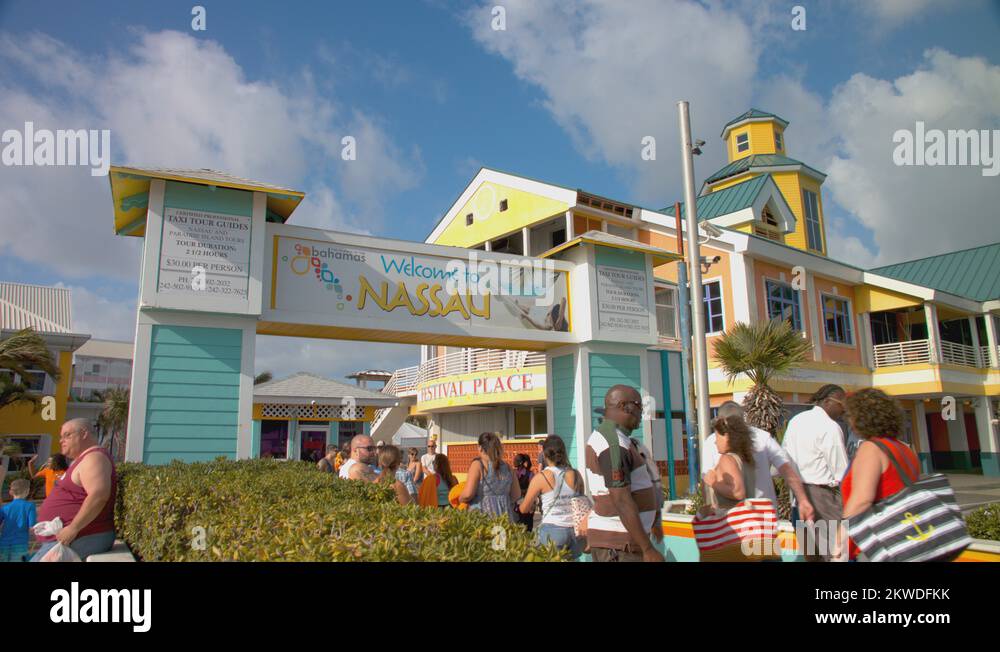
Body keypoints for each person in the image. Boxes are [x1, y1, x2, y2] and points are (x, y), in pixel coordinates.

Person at [838, 388, 921, 562]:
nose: (849, 421)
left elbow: (861, 500)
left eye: (850, 416)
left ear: (861, 417)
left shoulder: (871, 449)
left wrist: (840, 541)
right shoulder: (905, 449)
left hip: (879, 542)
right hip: (907, 538)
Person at [701, 401, 816, 523]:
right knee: (765, 543)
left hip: (735, 520)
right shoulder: (762, 437)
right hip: (764, 514)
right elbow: (786, 469)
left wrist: (708, 507)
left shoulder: (714, 441)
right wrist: (803, 500)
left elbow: (707, 481)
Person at [585, 385, 664, 562]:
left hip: (622, 543)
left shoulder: (618, 440)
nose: (641, 412)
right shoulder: (614, 445)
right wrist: (647, 548)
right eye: (638, 406)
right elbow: (621, 499)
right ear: (622, 406)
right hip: (620, 547)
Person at [31, 418, 117, 561]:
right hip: (65, 540)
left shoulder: (94, 458)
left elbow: (98, 495)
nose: (61, 440)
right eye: (61, 436)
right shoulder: (81, 460)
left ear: (84, 434)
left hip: (80, 537)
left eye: (67, 435)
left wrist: (73, 528)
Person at [781, 384, 849, 562]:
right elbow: (841, 470)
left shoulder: (796, 421)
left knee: (811, 555)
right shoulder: (830, 426)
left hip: (798, 498)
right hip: (824, 498)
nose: (843, 410)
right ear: (827, 401)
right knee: (835, 554)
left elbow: (784, 458)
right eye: (841, 404)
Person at [699, 415, 763, 562]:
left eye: (717, 436)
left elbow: (738, 492)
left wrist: (713, 482)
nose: (715, 442)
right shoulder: (746, 459)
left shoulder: (727, 459)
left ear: (727, 436)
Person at [519, 436, 584, 559]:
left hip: (552, 530)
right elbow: (580, 503)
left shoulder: (541, 477)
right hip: (573, 532)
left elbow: (524, 508)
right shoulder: (575, 474)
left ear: (544, 454)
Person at [459, 432, 520, 521]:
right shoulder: (508, 467)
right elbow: (516, 495)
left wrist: (460, 499)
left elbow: (468, 494)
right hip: (505, 517)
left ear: (480, 448)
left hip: (482, 516)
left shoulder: (478, 465)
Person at [0, 479, 37, 562]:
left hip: (3, 543)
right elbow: (32, 526)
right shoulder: (30, 506)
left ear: (12, 492)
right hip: (20, 543)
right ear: (27, 491)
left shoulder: (5, 508)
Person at [513, 453, 535, 531]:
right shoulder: (513, 473)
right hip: (515, 505)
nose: (513, 461)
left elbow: (532, 490)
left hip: (527, 503)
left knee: (527, 528)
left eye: (515, 460)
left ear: (520, 462)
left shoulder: (529, 474)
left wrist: (520, 491)